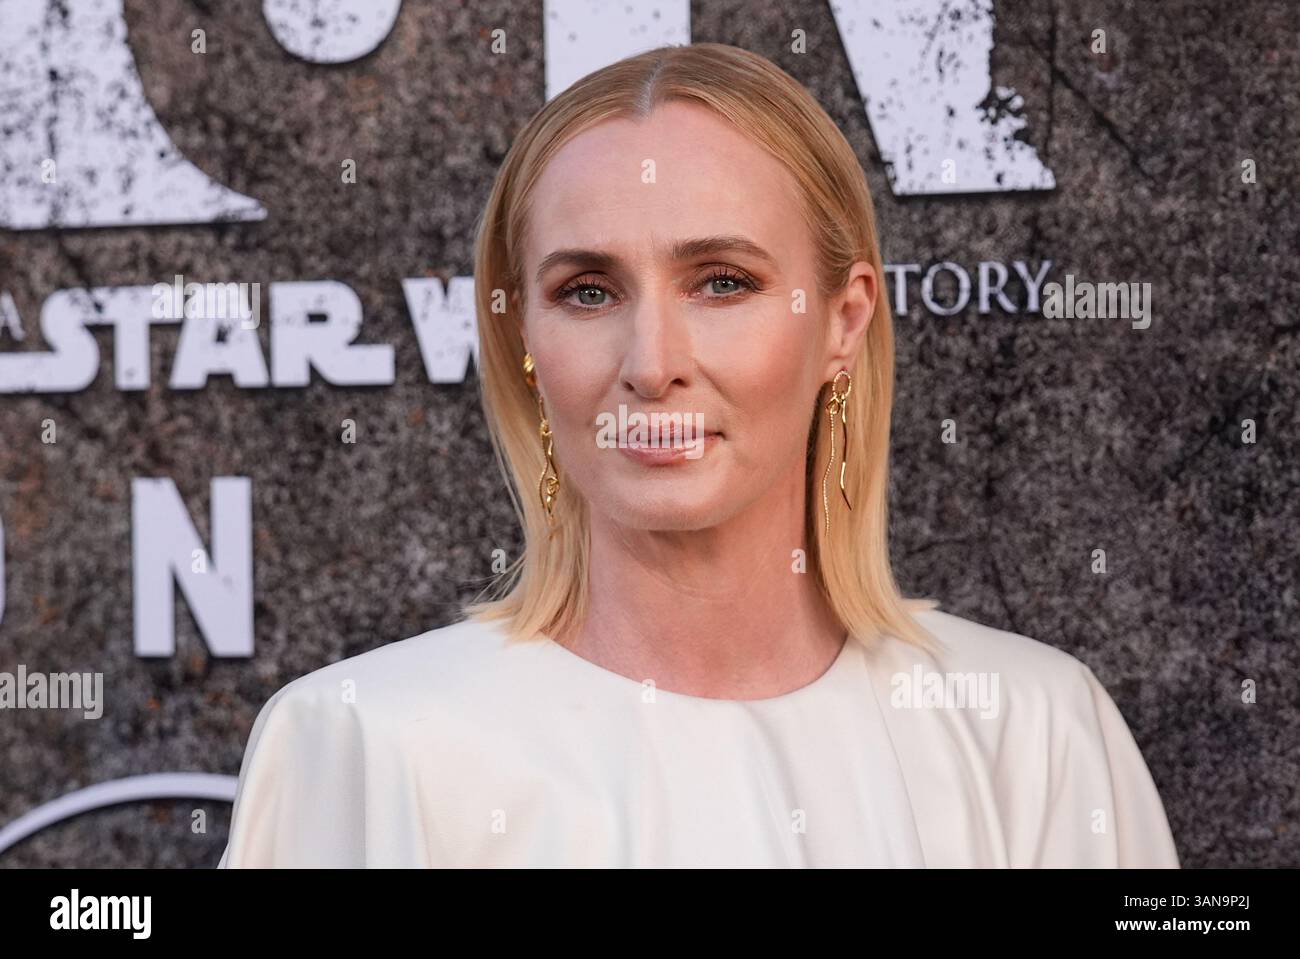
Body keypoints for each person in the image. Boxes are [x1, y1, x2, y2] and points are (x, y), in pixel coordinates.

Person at [218, 43, 1179, 868]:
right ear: (522, 334)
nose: (652, 364)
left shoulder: (1035, 728)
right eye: (589, 291)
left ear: (842, 323)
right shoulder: (361, 739)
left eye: (721, 282)